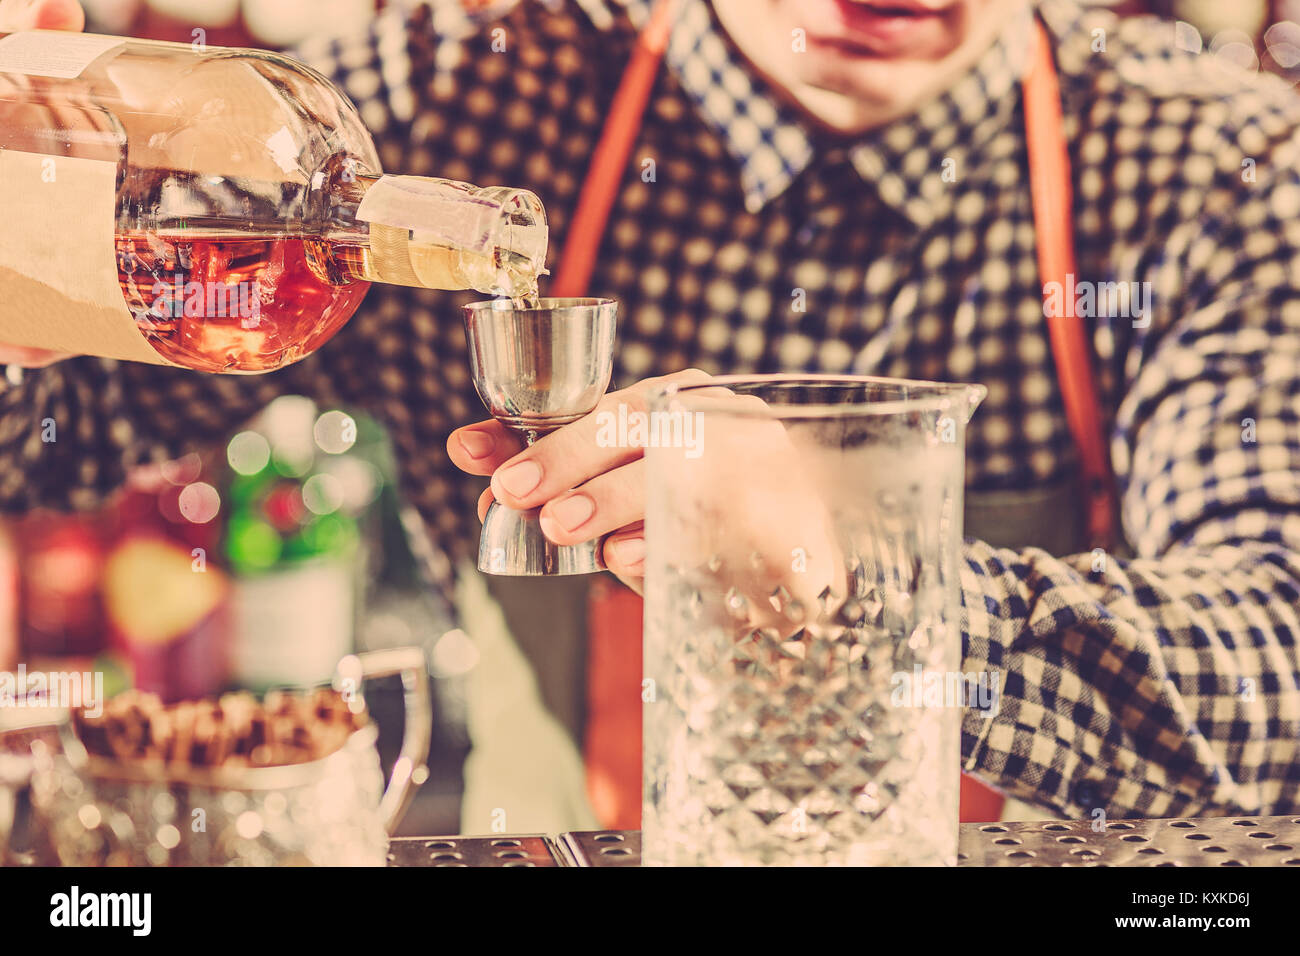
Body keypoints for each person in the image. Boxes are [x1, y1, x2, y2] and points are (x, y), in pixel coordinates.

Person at [2, 0, 1298, 828]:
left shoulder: (1204, 172)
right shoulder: (461, 99)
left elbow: (1279, 685)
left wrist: (880, 589)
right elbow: (49, 437)